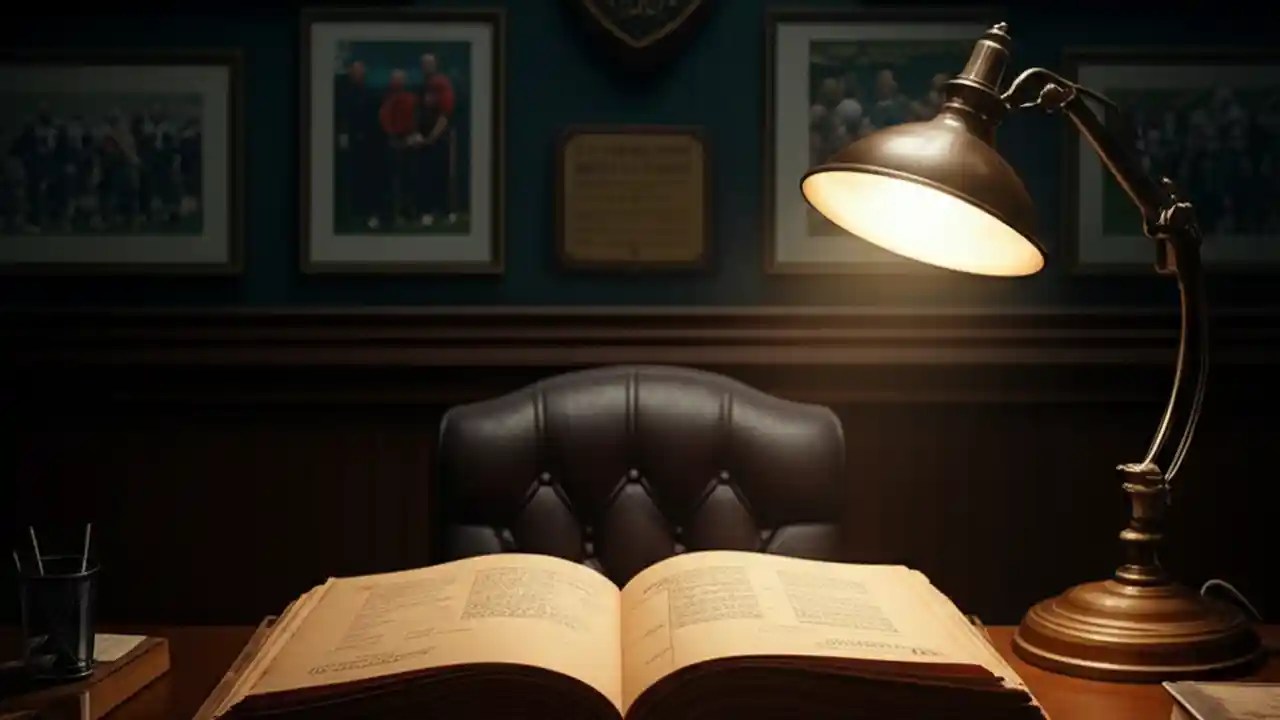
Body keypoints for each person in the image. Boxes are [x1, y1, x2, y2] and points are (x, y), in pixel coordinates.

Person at [336, 60, 384, 230]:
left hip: (371, 145)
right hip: (352, 144)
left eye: (359, 71)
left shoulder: (372, 94)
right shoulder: (343, 93)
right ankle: (352, 214)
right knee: (350, 179)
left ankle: (371, 214)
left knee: (370, 180)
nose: (356, 74)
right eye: (353, 71)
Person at [413, 52, 456, 227]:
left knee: (441, 175)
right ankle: (427, 211)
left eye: (429, 63)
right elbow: (417, 111)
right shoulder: (422, 85)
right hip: (423, 138)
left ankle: (447, 212)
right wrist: (417, 134)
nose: (426, 66)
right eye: (423, 63)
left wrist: (432, 137)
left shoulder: (442, 83)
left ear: (435, 65)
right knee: (425, 176)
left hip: (439, 139)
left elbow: (445, 115)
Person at [379, 68, 418, 226]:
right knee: (392, 180)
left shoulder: (411, 98)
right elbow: (384, 118)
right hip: (393, 141)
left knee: (408, 180)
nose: (398, 82)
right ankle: (390, 215)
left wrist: (412, 136)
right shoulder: (386, 99)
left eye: (400, 79)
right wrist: (391, 136)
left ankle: (408, 214)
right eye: (395, 79)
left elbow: (415, 118)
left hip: (408, 141)